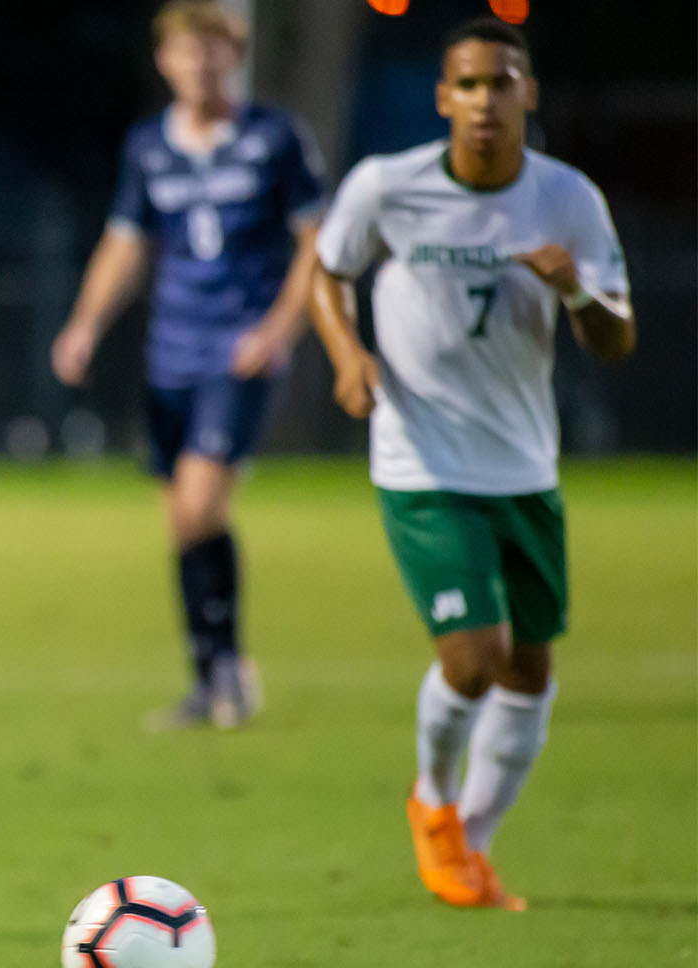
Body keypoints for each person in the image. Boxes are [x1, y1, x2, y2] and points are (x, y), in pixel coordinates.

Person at [309, 18, 634, 910]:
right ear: (444, 96)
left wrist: (575, 289)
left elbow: (616, 337)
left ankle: (471, 842)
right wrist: (348, 357)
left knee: (530, 672)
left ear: (528, 94)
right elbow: (328, 270)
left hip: (525, 465)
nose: (486, 100)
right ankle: (433, 801)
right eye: (470, 84)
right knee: (476, 657)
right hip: (421, 460)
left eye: (503, 84)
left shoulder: (569, 200)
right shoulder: (389, 186)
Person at [50, 0, 326, 729]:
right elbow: (125, 244)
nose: (200, 64)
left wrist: (278, 331)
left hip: (238, 354)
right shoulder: (149, 145)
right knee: (183, 520)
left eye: (213, 51)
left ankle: (227, 671)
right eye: (186, 51)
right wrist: (84, 326)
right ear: (165, 60)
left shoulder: (274, 138)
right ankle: (215, 678)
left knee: (202, 503)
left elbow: (316, 244)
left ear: (232, 56)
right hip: (170, 351)